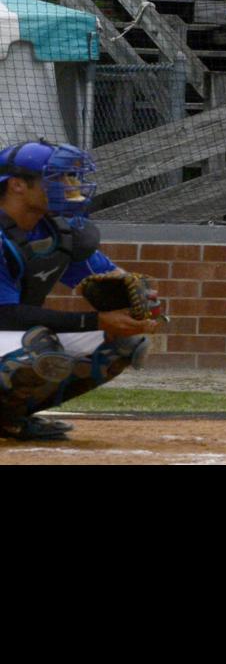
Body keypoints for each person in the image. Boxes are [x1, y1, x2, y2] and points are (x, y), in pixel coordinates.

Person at [0, 141, 158, 442]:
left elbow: (110, 279)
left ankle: (10, 420)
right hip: (4, 322)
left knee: (125, 342)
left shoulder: (57, 231)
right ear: (17, 185)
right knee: (39, 348)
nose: (70, 186)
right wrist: (94, 321)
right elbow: (5, 314)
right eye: (57, 177)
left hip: (7, 333)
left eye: (70, 177)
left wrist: (139, 305)